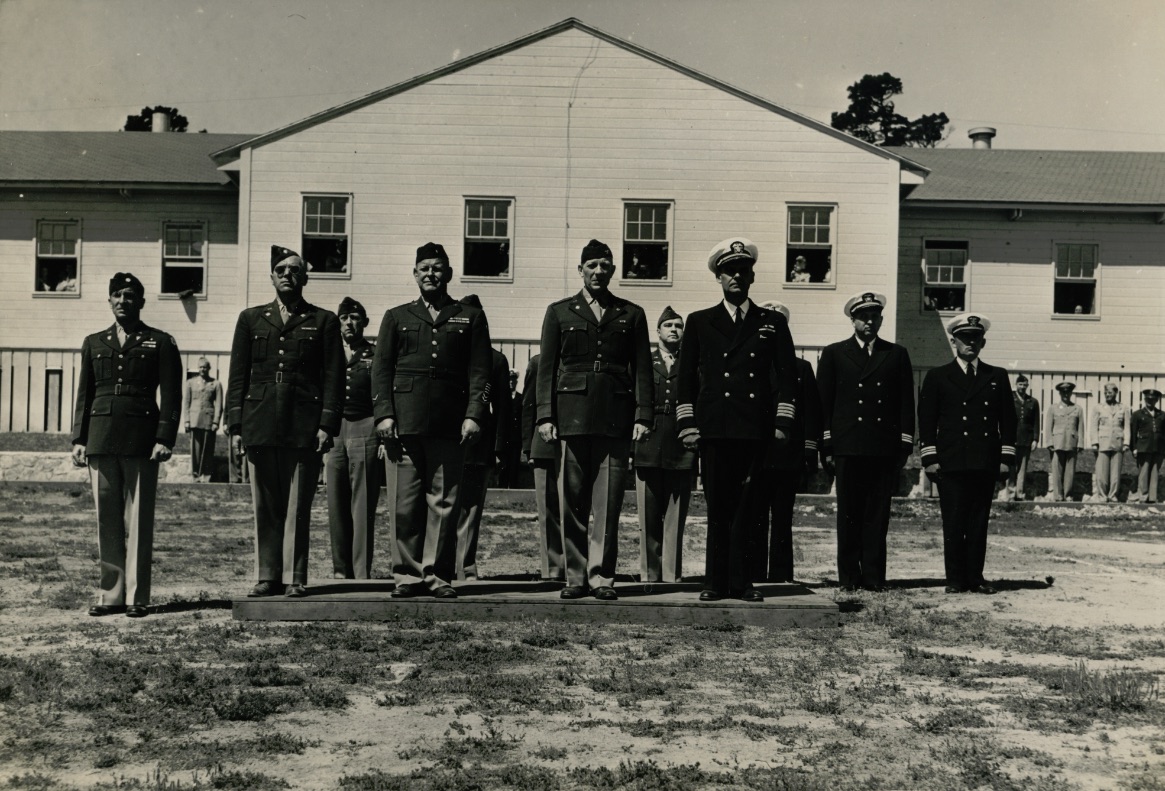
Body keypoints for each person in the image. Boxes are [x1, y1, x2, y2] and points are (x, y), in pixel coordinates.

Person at [676, 238, 798, 603]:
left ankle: (743, 582)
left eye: (743, 271)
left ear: (752, 276)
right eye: (730, 271)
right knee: (718, 505)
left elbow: (788, 376)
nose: (737, 277)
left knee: (749, 507)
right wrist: (687, 424)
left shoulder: (771, 322)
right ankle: (714, 581)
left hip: (753, 428)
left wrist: (782, 421)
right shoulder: (699, 322)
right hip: (714, 428)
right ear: (719, 277)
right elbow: (685, 378)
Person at [373, 243, 491, 599]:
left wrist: (474, 414)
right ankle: (407, 576)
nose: (430, 274)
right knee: (404, 503)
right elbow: (381, 371)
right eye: (423, 268)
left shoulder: (468, 316)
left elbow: (481, 372)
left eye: (437, 268)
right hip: (403, 425)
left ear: (449, 274)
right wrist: (384, 414)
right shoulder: (397, 316)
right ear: (414, 274)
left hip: (450, 425)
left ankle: (437, 575)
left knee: (444, 503)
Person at [536, 239, 652, 601]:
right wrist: (545, 415)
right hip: (570, 419)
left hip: (615, 419)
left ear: (613, 270)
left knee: (608, 503)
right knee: (571, 502)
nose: (598, 272)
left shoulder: (631, 313)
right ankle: (575, 576)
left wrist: (643, 415)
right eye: (592, 266)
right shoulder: (559, 312)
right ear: (580, 271)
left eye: (605, 265)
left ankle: (601, 576)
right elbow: (547, 369)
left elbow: (643, 371)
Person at [227, 245, 345, 598]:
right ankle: (267, 575)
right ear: (271, 275)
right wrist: (236, 426)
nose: (287, 275)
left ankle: (295, 576)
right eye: (280, 269)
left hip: (303, 424)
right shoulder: (251, 319)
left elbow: (334, 377)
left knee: (297, 505)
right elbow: (238, 377)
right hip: (259, 421)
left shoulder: (324, 320)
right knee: (264, 504)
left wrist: (327, 424)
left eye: (294, 270)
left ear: (305, 277)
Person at [71, 272, 182, 617]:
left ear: (141, 302)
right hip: (101, 438)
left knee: (138, 520)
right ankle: (111, 596)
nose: (123, 301)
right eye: (117, 295)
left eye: (130, 295)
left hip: (141, 439)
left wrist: (164, 437)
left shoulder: (160, 341)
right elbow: (84, 395)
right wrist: (79, 438)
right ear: (109, 300)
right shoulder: (94, 342)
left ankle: (137, 597)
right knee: (107, 520)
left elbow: (173, 394)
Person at [817, 291, 915, 592]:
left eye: (874, 316)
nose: (869, 322)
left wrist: (904, 445)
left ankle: (873, 578)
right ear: (853, 320)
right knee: (848, 514)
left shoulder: (895, 354)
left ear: (881, 319)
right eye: (863, 317)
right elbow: (825, 403)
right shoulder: (834, 353)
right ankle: (848, 577)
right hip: (847, 447)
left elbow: (904, 403)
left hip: (882, 448)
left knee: (876, 515)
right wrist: (827, 445)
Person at [918, 313, 1017, 594]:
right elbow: (927, 420)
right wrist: (930, 458)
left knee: (977, 522)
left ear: (982, 342)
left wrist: (1005, 458)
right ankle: (955, 579)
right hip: (950, 462)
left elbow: (1008, 420)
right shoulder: (938, 377)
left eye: (975, 338)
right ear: (954, 341)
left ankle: (975, 577)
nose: (970, 343)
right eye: (964, 338)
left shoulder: (996, 376)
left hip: (984, 462)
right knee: (953, 521)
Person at [752, 300, 822, 584]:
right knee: (755, 516)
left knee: (782, 518)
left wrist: (808, 451)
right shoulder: (751, 362)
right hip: (755, 454)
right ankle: (754, 572)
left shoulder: (801, 367)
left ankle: (781, 575)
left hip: (787, 456)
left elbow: (811, 412)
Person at [634, 306, 697, 584]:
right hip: (649, 440)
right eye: (668, 325)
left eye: (679, 325)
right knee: (647, 516)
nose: (674, 329)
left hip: (681, 443)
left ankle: (672, 575)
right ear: (657, 331)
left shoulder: (692, 364)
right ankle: (649, 573)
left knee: (675, 515)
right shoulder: (644, 363)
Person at [452, 294, 512, 581]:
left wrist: (499, 448)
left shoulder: (496, 360)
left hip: (479, 447)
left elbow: (502, 409)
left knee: (471, 508)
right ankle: (442, 565)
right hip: (448, 444)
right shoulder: (448, 354)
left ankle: (465, 566)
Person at [325, 297, 382, 580]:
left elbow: (383, 394)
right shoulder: (330, 353)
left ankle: (361, 572)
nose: (349, 322)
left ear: (365, 323)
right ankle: (340, 570)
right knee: (336, 502)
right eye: (344, 317)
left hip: (365, 427)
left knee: (362, 503)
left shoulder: (375, 354)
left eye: (355, 318)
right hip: (335, 431)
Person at [522, 354, 564, 581]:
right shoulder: (539, 362)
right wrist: (528, 448)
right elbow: (528, 404)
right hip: (545, 446)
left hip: (576, 444)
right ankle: (553, 568)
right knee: (548, 510)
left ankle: (576, 565)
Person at [999, 374, 1040, 501]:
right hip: (1012, 439)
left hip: (1026, 439)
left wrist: (1035, 439)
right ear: (1016, 385)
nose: (1022, 387)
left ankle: (1020, 494)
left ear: (1027, 386)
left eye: (1024, 385)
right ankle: (1010, 493)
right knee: (1011, 467)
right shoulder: (1009, 399)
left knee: (1022, 468)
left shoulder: (1033, 402)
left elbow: (1036, 422)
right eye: (1020, 384)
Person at [1089, 383, 1130, 503]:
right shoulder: (1098, 408)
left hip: (1118, 443)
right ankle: (1102, 496)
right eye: (1105, 392)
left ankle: (1113, 496)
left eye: (1110, 392)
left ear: (1116, 393)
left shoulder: (1123, 408)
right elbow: (1093, 426)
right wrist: (1094, 442)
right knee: (1101, 473)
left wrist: (1126, 442)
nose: (1107, 395)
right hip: (1103, 443)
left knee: (1116, 474)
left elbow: (1126, 427)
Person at [183, 357, 222, 482]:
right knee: (195, 450)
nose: (202, 369)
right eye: (200, 367)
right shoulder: (190, 383)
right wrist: (187, 420)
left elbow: (219, 405)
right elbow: (186, 403)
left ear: (209, 368)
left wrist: (216, 421)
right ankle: (196, 475)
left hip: (208, 421)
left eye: (205, 367)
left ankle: (206, 474)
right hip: (194, 420)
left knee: (207, 449)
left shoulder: (215, 384)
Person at [1043, 382, 1083, 501]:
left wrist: (1080, 443)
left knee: (1070, 471)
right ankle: (1058, 494)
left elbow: (1080, 427)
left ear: (1071, 393)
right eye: (1063, 392)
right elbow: (1048, 426)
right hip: (1057, 443)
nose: (1066, 394)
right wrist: (1049, 442)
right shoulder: (1053, 408)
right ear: (1060, 393)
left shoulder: (1077, 408)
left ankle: (1068, 494)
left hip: (1071, 442)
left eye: (1068, 392)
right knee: (1057, 470)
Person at [1129, 389, 1165, 503]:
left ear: (1157, 400)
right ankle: (1143, 496)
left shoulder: (1162, 415)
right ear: (1145, 400)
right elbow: (1133, 432)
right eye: (1148, 399)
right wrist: (1134, 448)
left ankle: (1153, 497)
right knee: (1143, 472)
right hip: (1143, 448)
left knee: (1155, 472)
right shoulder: (1137, 414)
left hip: (1158, 448)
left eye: (1153, 399)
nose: (1150, 402)